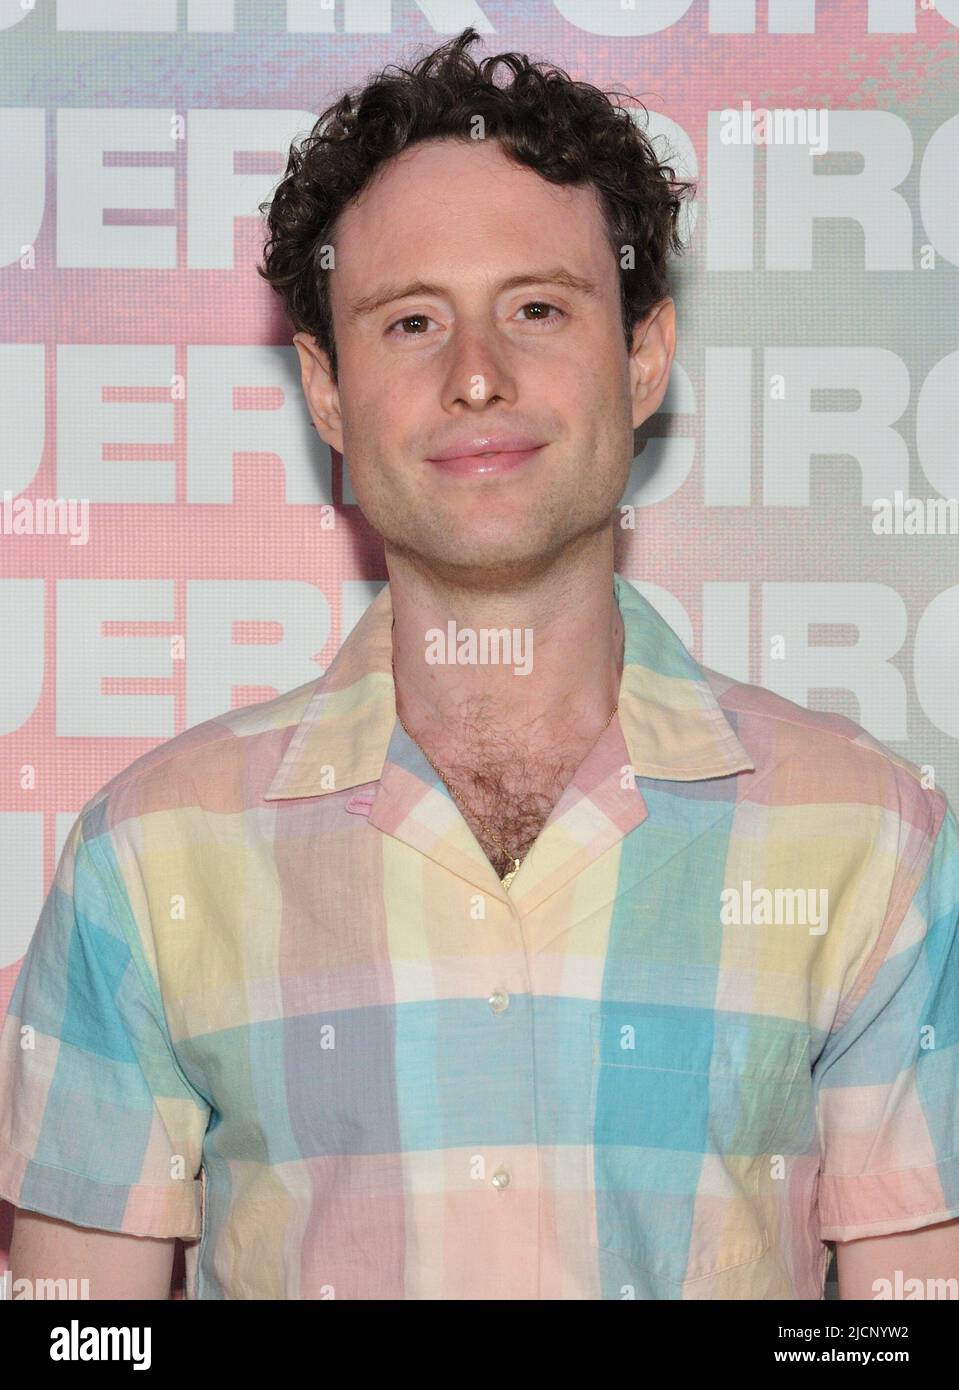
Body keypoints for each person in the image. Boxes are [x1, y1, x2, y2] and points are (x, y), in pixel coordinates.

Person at [2, 27, 958, 1301]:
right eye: (408, 322)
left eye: (538, 308)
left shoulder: (867, 836)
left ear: (643, 354)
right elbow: (82, 1340)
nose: (474, 377)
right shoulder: (148, 856)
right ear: (328, 393)